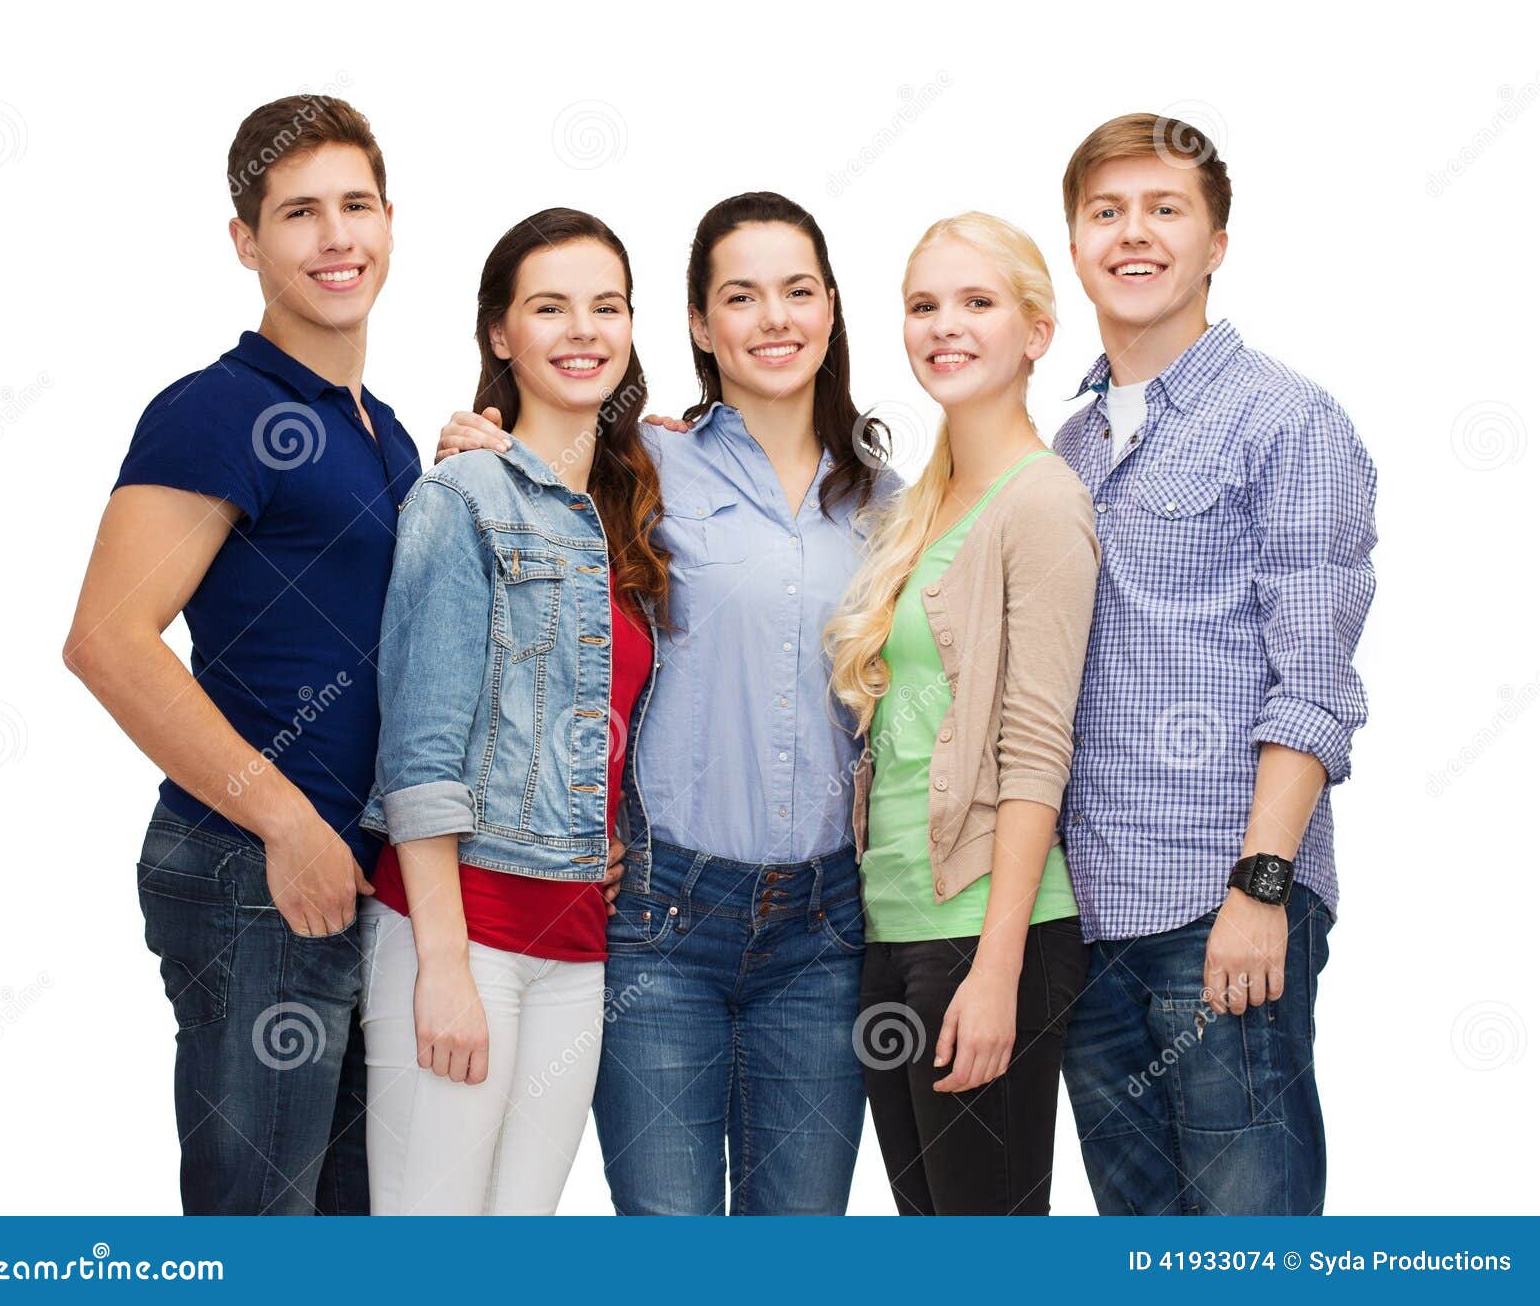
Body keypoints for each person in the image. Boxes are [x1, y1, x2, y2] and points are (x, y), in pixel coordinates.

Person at [434, 191, 899, 1214]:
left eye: (797, 291)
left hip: (824, 937)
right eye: (741, 295)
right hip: (661, 920)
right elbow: (522, 572)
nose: (773, 319)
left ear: (830, 308)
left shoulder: (886, 505)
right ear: (698, 324)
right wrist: (476, 446)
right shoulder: (637, 464)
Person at [63, 96, 419, 1214]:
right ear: (245, 242)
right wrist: (284, 822)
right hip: (255, 875)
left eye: (355, 205)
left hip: (360, 879)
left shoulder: (385, 428)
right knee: (257, 1244)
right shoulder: (215, 411)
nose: (336, 238)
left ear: (391, 222)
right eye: (299, 212)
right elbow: (108, 642)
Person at [1053, 113, 1378, 1215]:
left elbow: (1314, 681)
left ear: (1214, 243)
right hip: (1089, 920)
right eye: (1106, 212)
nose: (1131, 235)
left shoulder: (1286, 420)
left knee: (1254, 1264)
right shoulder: (1072, 447)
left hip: (1218, 901)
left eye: (1163, 210)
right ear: (1074, 238)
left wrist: (1260, 889)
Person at [359, 209, 666, 1215]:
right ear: (501, 333)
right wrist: (443, 968)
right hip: (466, 934)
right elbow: (420, 753)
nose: (583, 331)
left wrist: (613, 836)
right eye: (549, 307)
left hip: (577, 947)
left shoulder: (617, 513)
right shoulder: (463, 496)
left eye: (605, 306)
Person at [827, 212, 1097, 1214]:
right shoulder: (917, 507)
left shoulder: (1040, 502)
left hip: (983, 935)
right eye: (923, 305)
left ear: (1034, 331)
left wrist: (996, 965)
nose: (945, 326)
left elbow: (1037, 749)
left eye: (976, 303)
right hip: (893, 926)